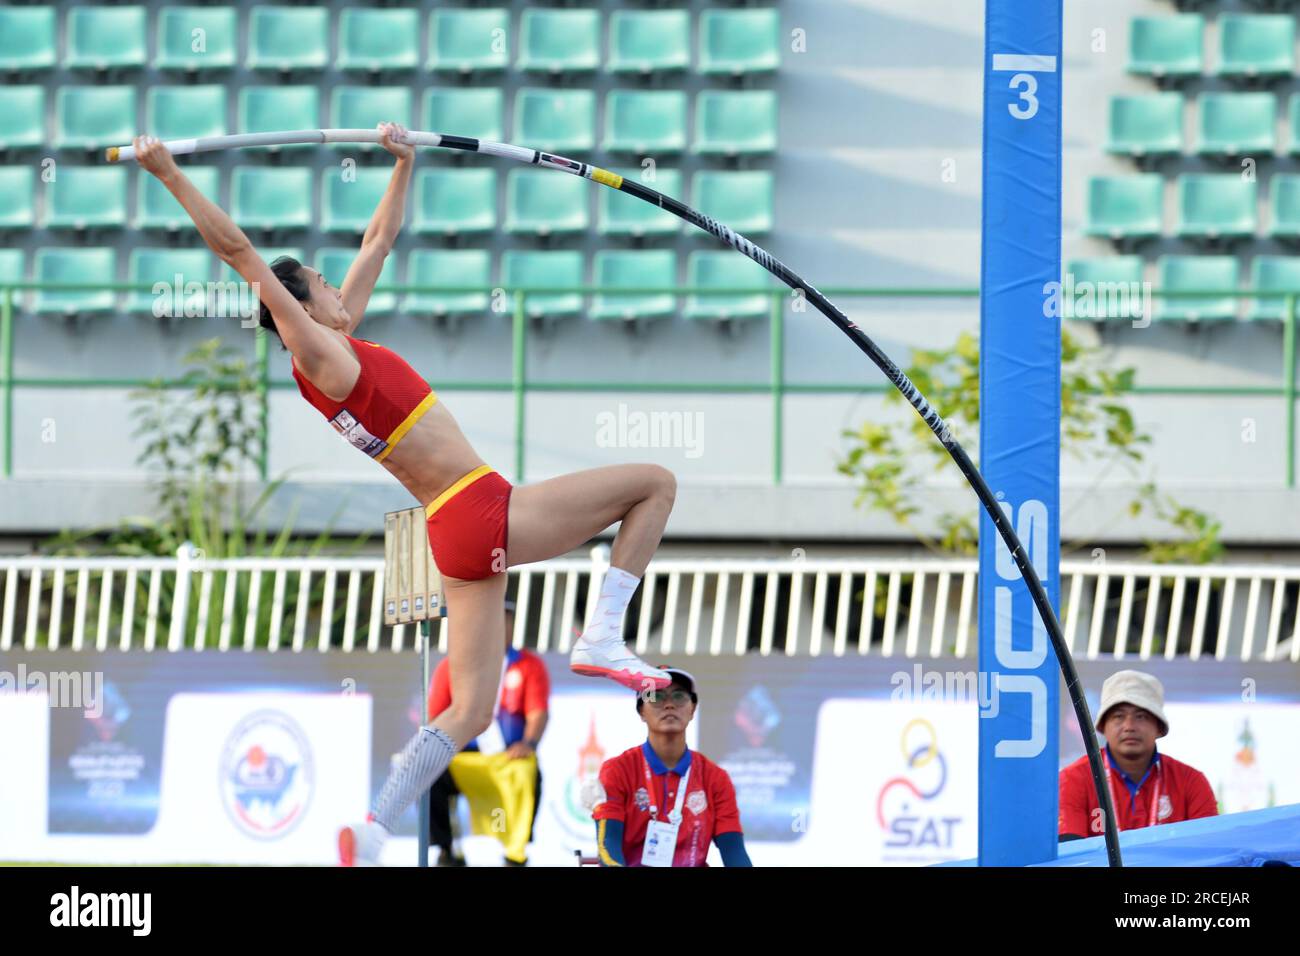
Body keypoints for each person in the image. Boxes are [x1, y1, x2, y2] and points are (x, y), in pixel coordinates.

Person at [130, 126, 677, 867]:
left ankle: (377, 823)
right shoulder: (317, 352)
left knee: (472, 709)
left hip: (451, 528)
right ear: (298, 308)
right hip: (480, 506)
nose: (334, 284)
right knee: (654, 485)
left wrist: (403, 162)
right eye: (320, 284)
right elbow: (239, 255)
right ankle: (603, 634)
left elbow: (379, 243)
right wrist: (166, 173)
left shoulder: (337, 339)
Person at [427, 600, 548, 866]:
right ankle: (447, 850)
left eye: (505, 620)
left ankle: (516, 853)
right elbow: (436, 717)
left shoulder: (528, 665)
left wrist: (529, 742)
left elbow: (537, 712)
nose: (498, 627)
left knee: (529, 773)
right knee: (429, 773)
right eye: (492, 619)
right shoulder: (454, 665)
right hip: (464, 758)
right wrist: (447, 745)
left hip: (507, 758)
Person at [590, 668, 752, 867]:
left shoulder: (716, 778)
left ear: (692, 709)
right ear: (641, 711)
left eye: (678, 696)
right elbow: (607, 848)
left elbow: (734, 851)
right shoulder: (617, 770)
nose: (668, 705)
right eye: (656, 696)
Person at [1059, 669, 1218, 840]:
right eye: (1118, 716)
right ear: (1103, 727)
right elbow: (1070, 858)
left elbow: (1211, 851)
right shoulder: (1073, 780)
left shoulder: (1191, 781)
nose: (1129, 726)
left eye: (1141, 717)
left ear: (1159, 727)